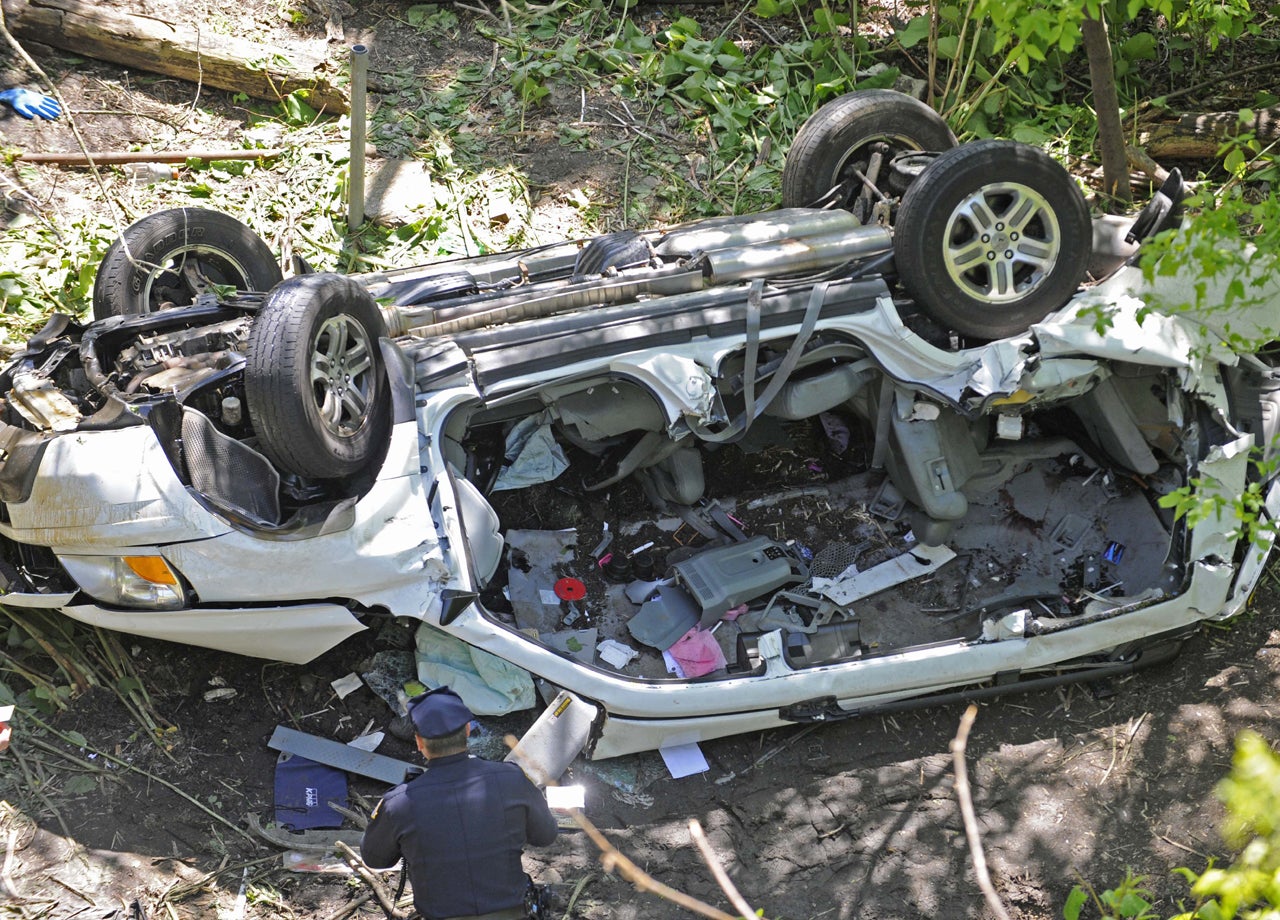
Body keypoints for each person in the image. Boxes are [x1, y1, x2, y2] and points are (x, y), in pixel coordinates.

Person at [361, 687, 559, 920]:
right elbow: (546, 835)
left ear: (419, 743)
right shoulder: (512, 780)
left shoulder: (399, 803)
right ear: (467, 731)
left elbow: (375, 859)